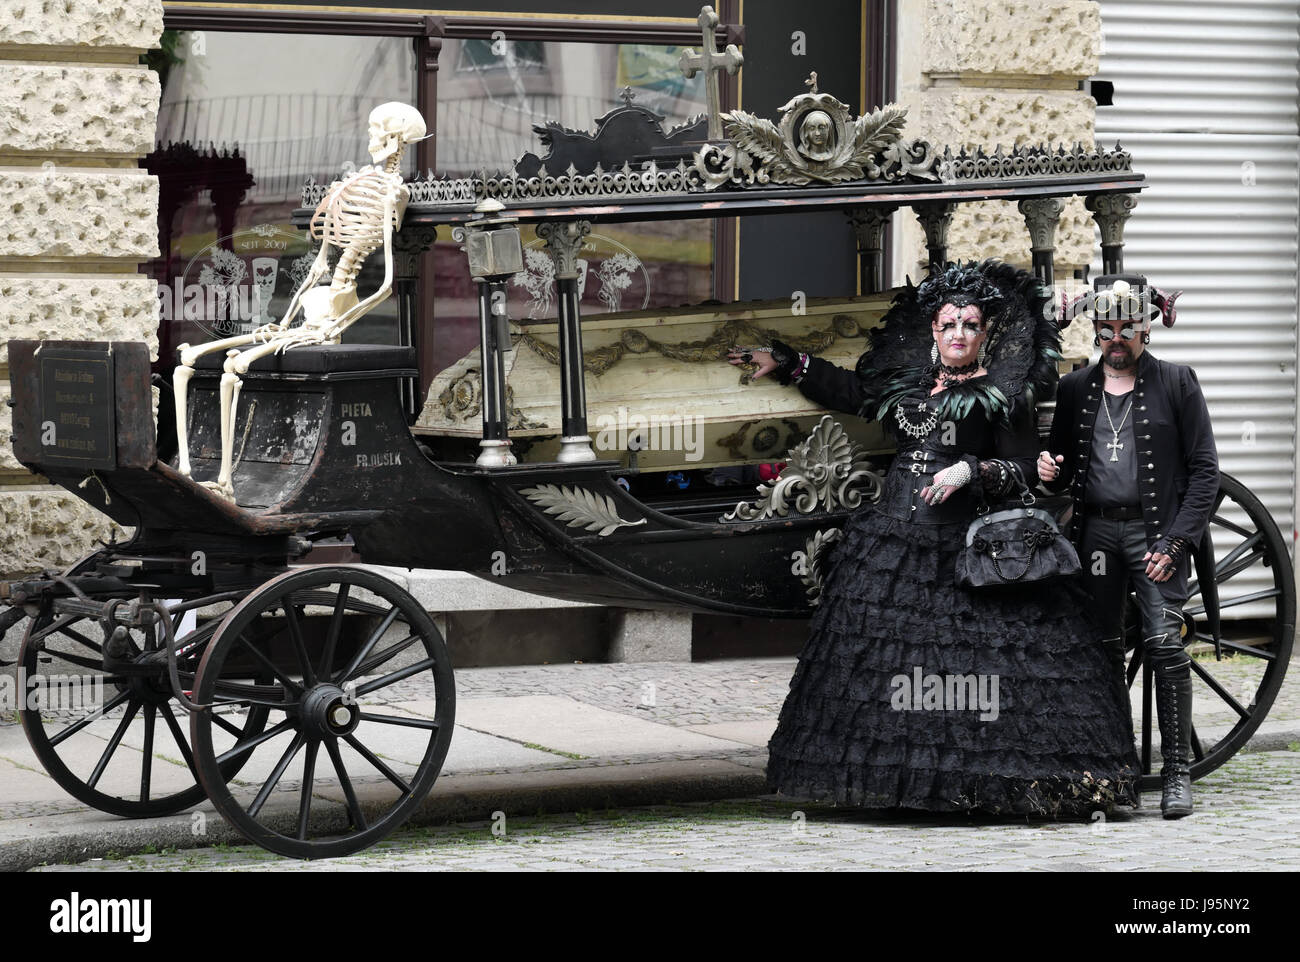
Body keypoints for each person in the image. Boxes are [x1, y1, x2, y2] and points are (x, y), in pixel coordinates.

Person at [728, 260, 1139, 816]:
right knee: (886, 662)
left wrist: (970, 469)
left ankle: (974, 784)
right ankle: (903, 782)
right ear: (934, 329)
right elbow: (850, 390)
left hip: (964, 544)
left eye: (970, 325)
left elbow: (1023, 468)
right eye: (949, 325)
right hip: (892, 542)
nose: (959, 335)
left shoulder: (1002, 394)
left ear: (985, 332)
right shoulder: (908, 381)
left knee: (967, 664)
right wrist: (787, 362)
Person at [1038, 274, 1218, 818]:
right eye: (1106, 330)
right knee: (1104, 650)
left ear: (1146, 329)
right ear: (1096, 331)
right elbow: (1060, 467)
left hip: (1155, 533)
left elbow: (1205, 472)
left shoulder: (1178, 382)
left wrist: (1178, 541)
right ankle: (1114, 771)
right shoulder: (1075, 388)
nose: (1116, 339)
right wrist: (1048, 471)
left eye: (1127, 329)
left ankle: (1177, 773)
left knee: (1164, 644)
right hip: (1095, 533)